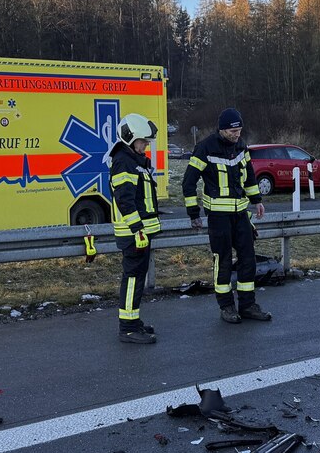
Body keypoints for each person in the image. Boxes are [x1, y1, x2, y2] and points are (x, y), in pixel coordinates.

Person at [182, 107, 271, 324]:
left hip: (241, 214)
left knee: (248, 259)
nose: (236, 135)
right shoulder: (205, 148)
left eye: (239, 131)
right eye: (232, 132)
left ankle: (248, 305)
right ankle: (226, 306)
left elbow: (249, 176)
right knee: (222, 261)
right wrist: (194, 213)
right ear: (222, 130)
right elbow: (188, 182)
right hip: (218, 217)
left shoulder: (241, 146)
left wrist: (257, 201)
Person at [110, 113, 162, 344]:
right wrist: (137, 228)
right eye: (142, 142)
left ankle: (133, 321)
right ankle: (128, 328)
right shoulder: (124, 162)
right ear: (129, 139)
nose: (145, 146)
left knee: (137, 278)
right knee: (132, 279)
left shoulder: (134, 161)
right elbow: (124, 199)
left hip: (139, 232)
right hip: (134, 233)